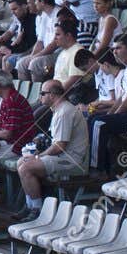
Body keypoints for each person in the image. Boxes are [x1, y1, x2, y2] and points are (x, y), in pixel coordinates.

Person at [18, 80, 91, 210]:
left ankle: (37, 209)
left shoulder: (64, 112)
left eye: (42, 93)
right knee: (21, 162)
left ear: (52, 95)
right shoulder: (58, 109)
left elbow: (59, 146)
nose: (40, 96)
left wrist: (37, 157)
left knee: (26, 168)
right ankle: (29, 206)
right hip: (62, 157)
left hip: (72, 161)